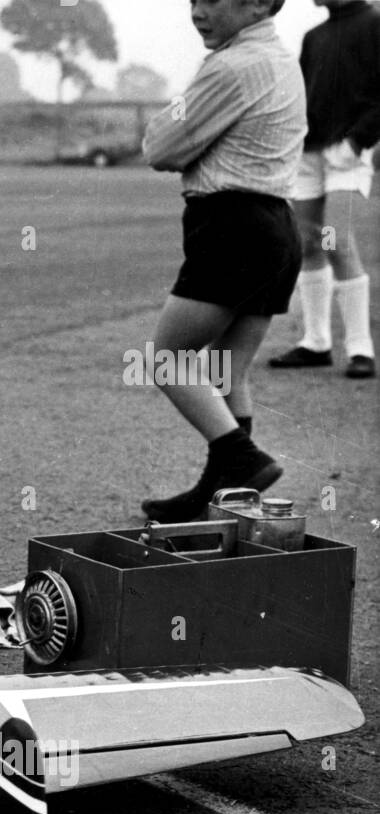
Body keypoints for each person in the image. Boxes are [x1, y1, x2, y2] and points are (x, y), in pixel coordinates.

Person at [136, 0, 305, 524]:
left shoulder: (232, 66)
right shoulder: (277, 57)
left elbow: (161, 148)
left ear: (258, 3)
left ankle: (239, 458)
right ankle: (228, 495)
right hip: (277, 226)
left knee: (167, 357)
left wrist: (168, 126)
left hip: (232, 226)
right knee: (227, 369)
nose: (198, 11)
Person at [267, 0, 379, 380]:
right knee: (308, 243)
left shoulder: (374, 24)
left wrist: (357, 141)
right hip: (309, 155)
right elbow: (301, 99)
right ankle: (316, 343)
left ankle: (360, 348)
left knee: (336, 241)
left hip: (346, 154)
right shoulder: (315, 37)